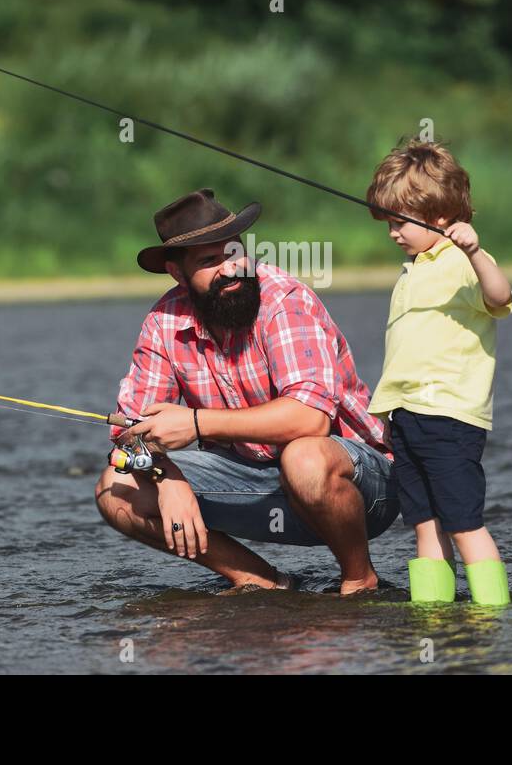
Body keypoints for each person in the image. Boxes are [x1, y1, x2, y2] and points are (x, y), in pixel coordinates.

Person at [94, 188, 399, 595]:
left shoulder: (283, 300)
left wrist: (197, 425)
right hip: (259, 487)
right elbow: (128, 431)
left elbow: (310, 419)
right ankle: (262, 580)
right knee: (116, 488)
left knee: (303, 455)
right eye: (208, 261)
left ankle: (359, 578)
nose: (231, 269)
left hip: (360, 487)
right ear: (178, 274)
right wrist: (167, 478)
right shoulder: (164, 321)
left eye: (234, 253)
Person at [364, 140, 512, 604]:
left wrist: (475, 252)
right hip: (407, 415)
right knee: (424, 525)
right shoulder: (412, 269)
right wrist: (388, 415)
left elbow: (498, 296)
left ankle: (492, 613)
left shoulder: (462, 261)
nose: (392, 233)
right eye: (387, 222)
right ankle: (431, 612)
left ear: (440, 217)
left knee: (464, 523)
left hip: (450, 418)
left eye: (399, 222)